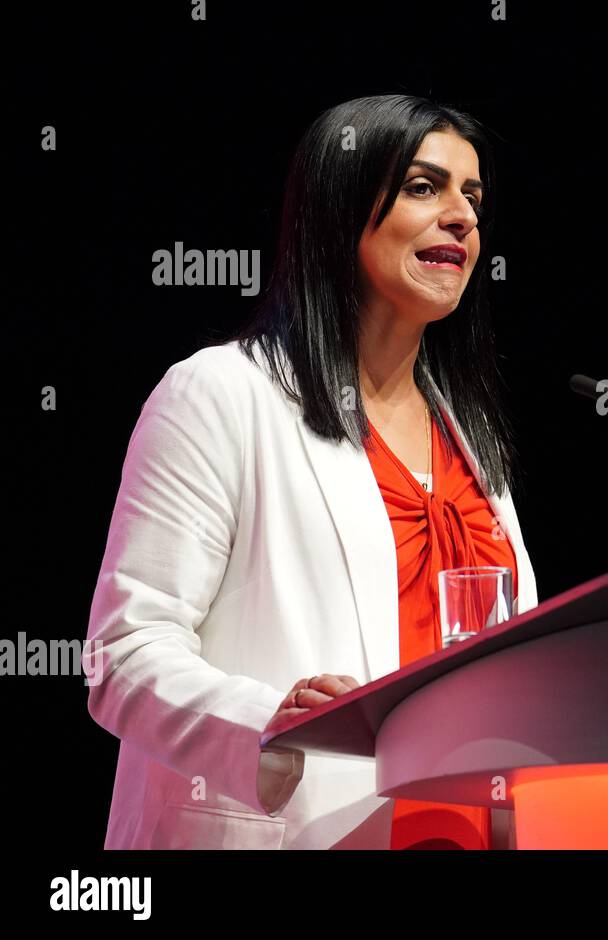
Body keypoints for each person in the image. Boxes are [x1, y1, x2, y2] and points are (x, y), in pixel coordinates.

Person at [84, 94, 538, 849]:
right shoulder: (221, 396)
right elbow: (121, 655)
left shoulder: (473, 436)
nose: (462, 216)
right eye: (425, 187)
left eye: (473, 197)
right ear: (338, 207)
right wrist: (265, 726)